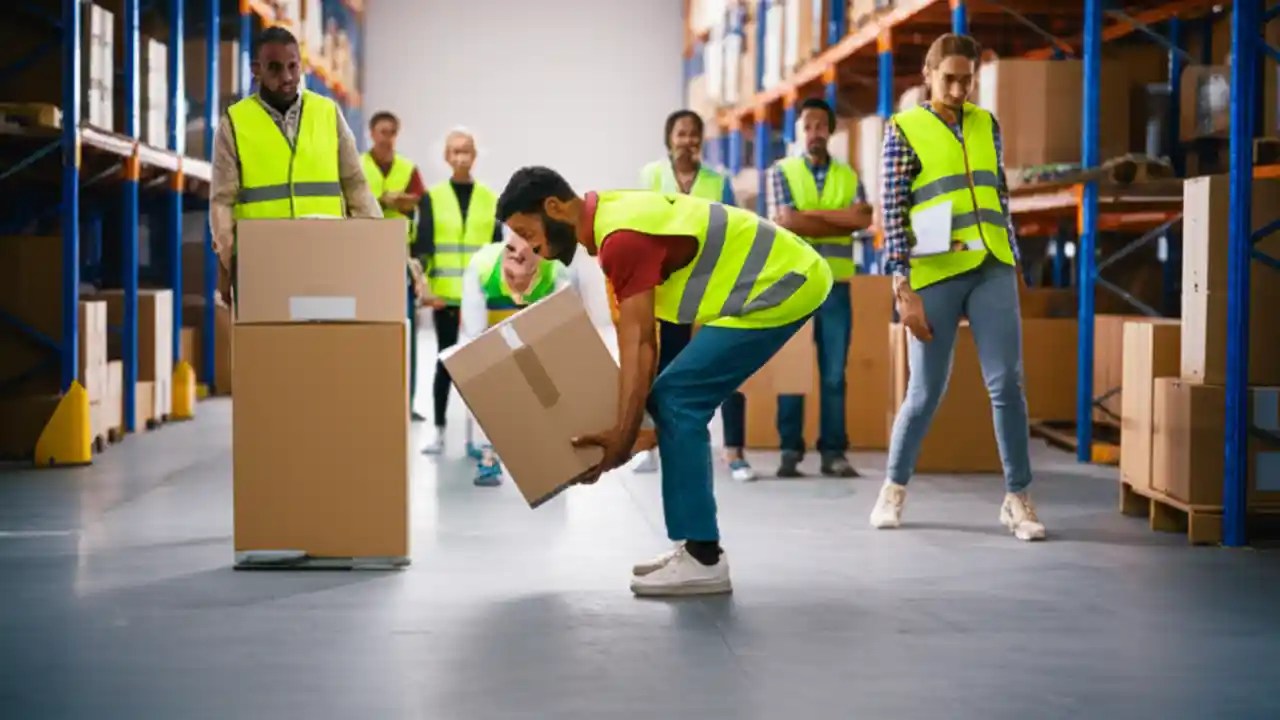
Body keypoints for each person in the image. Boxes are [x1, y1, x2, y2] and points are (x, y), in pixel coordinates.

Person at [496, 167, 834, 597]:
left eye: (530, 233)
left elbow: (641, 345)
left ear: (554, 207)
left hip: (785, 284)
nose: (535, 250)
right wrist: (630, 425)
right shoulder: (610, 221)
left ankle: (704, 557)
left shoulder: (620, 237)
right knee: (669, 399)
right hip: (781, 279)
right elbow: (632, 337)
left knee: (676, 399)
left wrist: (622, 440)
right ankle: (694, 548)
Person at [869, 33, 1045, 542]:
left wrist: (1012, 261)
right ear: (928, 74)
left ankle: (1018, 498)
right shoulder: (903, 129)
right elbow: (894, 211)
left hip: (991, 263)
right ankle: (894, 488)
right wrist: (901, 287)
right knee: (925, 392)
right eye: (949, 78)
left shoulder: (986, 124)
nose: (959, 89)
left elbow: (1000, 196)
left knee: (1007, 384)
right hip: (934, 274)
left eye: (967, 80)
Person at [210, 26, 400, 295]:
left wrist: (376, 251)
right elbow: (222, 201)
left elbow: (355, 185)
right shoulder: (234, 123)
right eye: (274, 68)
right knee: (269, 337)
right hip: (264, 264)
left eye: (292, 66)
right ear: (256, 69)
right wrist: (229, 265)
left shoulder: (327, 113)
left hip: (327, 258)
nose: (286, 77)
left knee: (326, 336)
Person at [635, 109, 756, 483]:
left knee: (728, 366)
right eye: (681, 134)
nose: (687, 141)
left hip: (714, 287)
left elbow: (737, 230)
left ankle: (734, 451)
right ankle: (656, 446)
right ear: (669, 139)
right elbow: (640, 228)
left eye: (693, 135)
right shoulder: (651, 176)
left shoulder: (718, 182)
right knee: (666, 370)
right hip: (670, 287)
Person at [766, 97, 873, 479]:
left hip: (836, 286)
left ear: (830, 131)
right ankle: (790, 451)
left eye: (820, 126)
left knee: (833, 373)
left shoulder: (849, 174)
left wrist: (809, 217)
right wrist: (838, 220)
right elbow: (786, 222)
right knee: (792, 370)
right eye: (808, 126)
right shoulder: (780, 172)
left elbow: (863, 218)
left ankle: (833, 453)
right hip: (794, 286)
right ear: (799, 132)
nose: (814, 132)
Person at [458, 232, 615, 486]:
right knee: (483, 378)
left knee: (548, 385)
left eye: (526, 276)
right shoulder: (482, 268)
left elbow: (565, 330)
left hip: (536, 326)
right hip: (491, 325)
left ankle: (555, 452)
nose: (519, 282)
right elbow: (473, 337)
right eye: (512, 276)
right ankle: (488, 455)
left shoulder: (556, 271)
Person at [416, 129, 504, 455]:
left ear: (475, 155)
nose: (461, 157)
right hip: (447, 297)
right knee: (446, 362)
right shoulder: (432, 198)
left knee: (483, 369)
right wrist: (425, 290)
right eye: (454, 151)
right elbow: (422, 248)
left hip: (482, 298)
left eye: (466, 151)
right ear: (446, 157)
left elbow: (497, 249)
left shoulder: (490, 199)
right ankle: (439, 431)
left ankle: (481, 437)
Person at [362, 111, 428, 422]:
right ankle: (370, 398)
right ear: (371, 133)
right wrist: (384, 200)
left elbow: (419, 202)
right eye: (381, 131)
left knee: (405, 331)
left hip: (399, 259)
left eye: (391, 132)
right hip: (363, 258)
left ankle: (406, 402)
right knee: (366, 332)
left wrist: (399, 202)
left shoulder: (408, 169)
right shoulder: (357, 166)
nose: (386, 137)